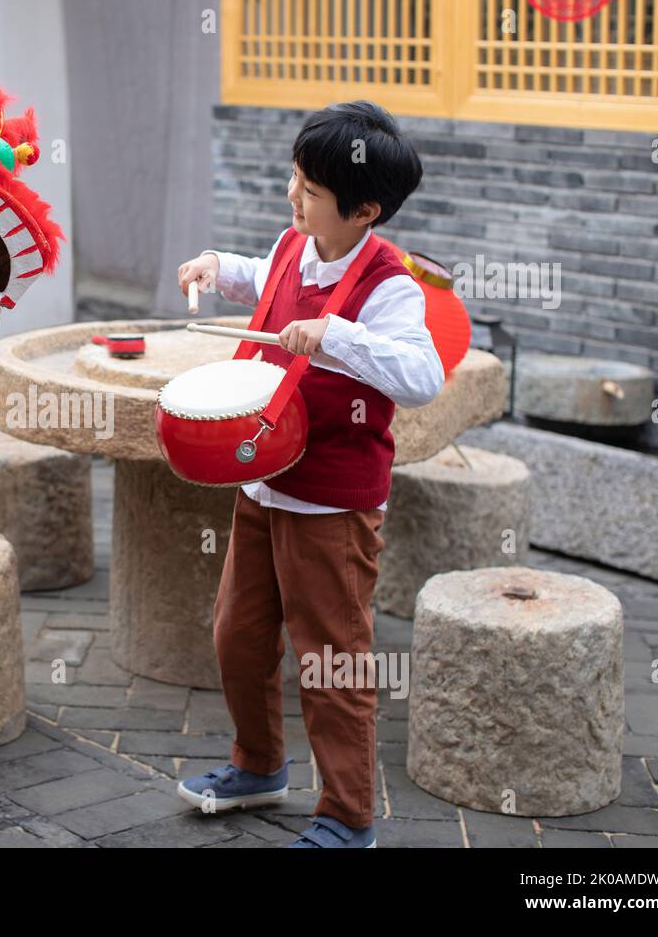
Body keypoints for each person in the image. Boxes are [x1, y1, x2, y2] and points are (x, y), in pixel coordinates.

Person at [174, 100, 445, 849]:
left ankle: (348, 816)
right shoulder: (297, 246)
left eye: (309, 189)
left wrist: (339, 335)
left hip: (330, 501)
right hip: (263, 479)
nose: (292, 196)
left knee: (330, 661)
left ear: (364, 210)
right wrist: (215, 265)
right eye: (293, 178)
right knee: (239, 635)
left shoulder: (391, 286)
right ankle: (259, 766)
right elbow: (266, 279)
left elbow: (422, 375)